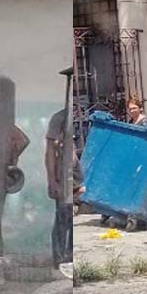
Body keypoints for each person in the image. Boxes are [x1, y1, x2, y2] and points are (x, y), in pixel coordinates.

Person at [45, 106, 80, 266]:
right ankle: (59, 258)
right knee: (62, 216)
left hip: (74, 175)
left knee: (71, 216)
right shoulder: (59, 118)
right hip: (62, 176)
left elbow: (72, 151)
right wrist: (52, 180)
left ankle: (70, 255)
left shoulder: (72, 117)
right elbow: (50, 151)